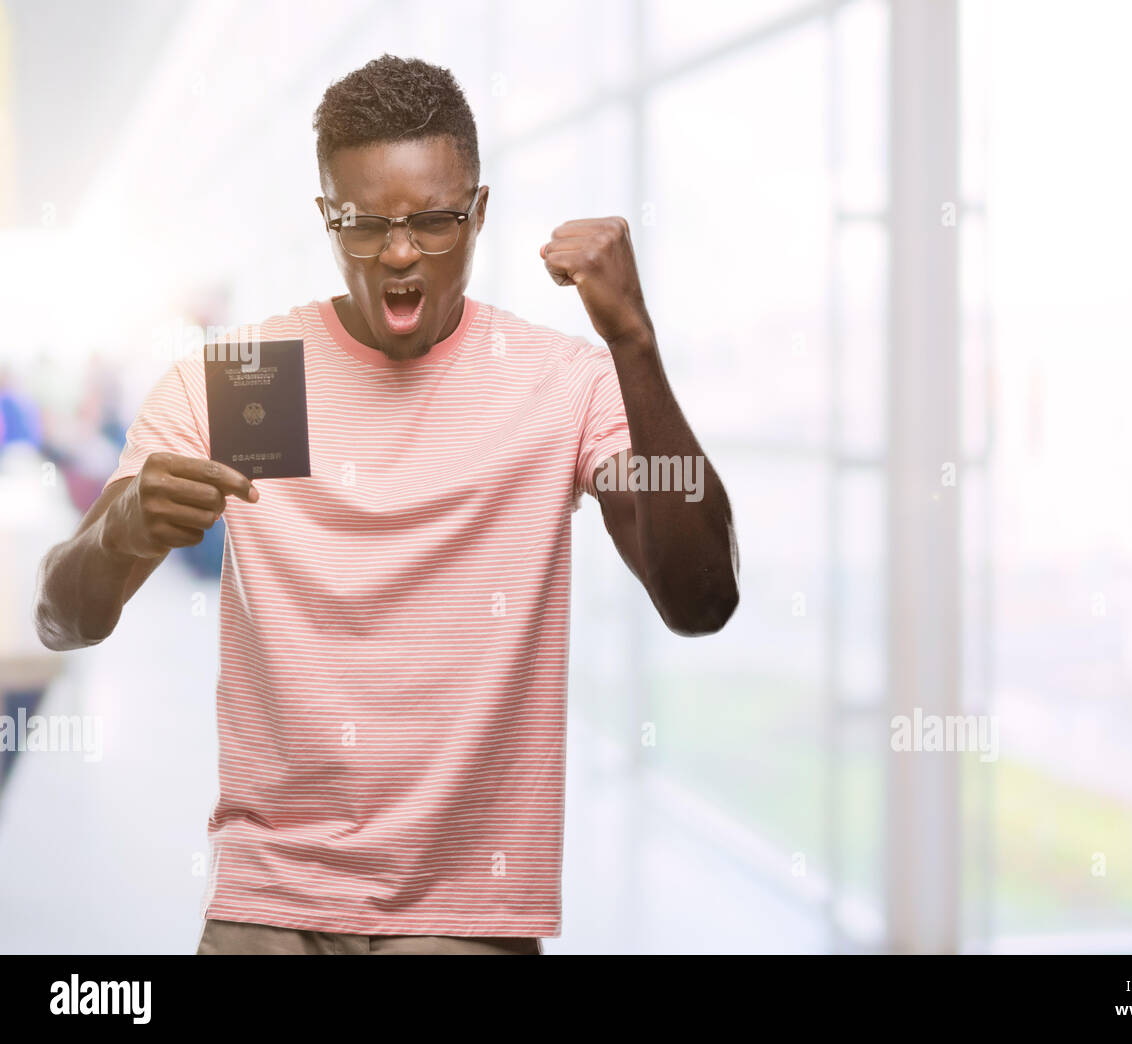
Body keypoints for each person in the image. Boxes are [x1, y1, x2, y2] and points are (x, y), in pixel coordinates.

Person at [33, 55, 739, 955]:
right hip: (270, 903)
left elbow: (701, 598)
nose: (399, 253)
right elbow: (63, 620)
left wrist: (634, 341)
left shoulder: (559, 381)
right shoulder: (256, 380)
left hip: (466, 919)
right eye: (364, 225)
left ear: (479, 214)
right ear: (328, 218)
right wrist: (122, 526)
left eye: (434, 222)